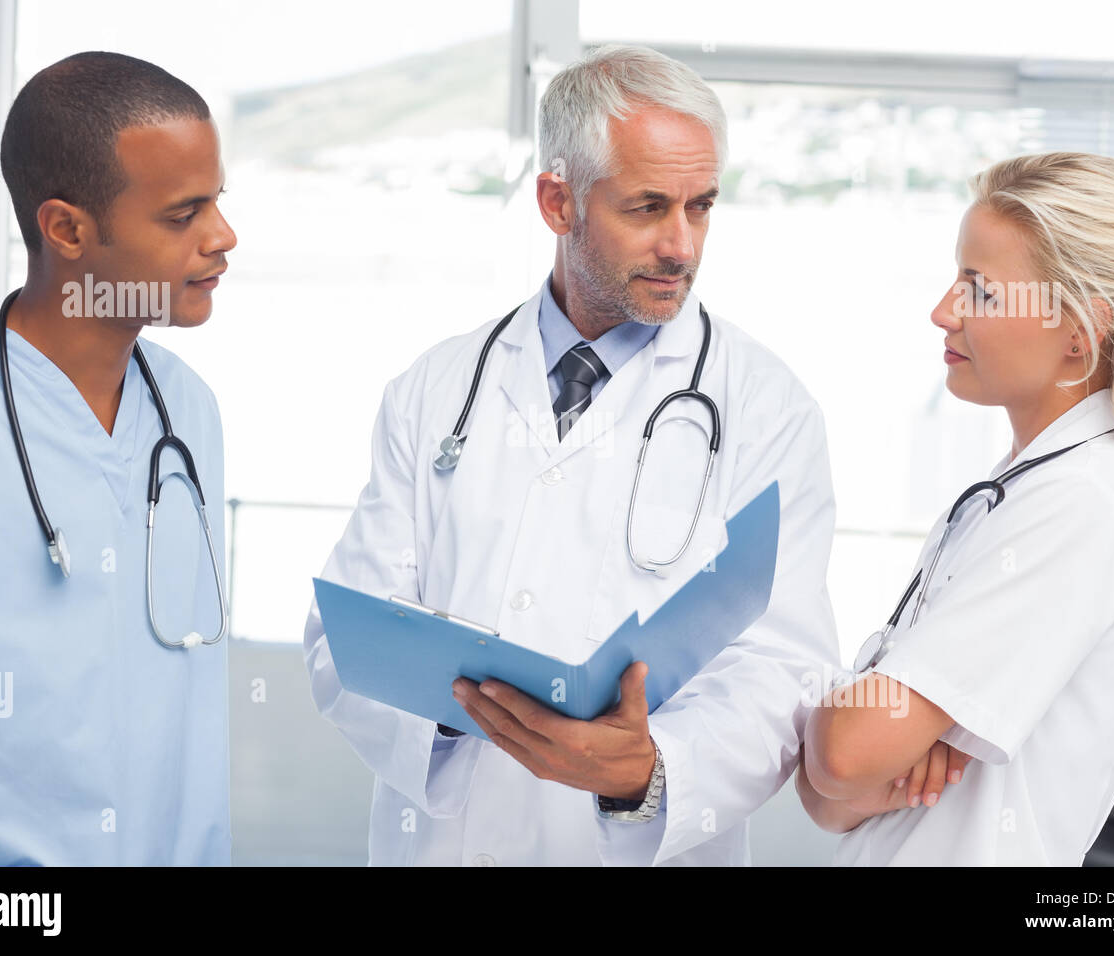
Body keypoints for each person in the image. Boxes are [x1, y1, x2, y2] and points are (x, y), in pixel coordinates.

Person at [303, 44, 841, 866]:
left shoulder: (766, 409)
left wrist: (648, 772)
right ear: (558, 201)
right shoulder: (436, 388)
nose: (682, 245)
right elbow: (344, 631)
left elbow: (784, 665)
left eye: (701, 207)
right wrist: (454, 707)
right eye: (649, 207)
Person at [797, 152, 1114, 865]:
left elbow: (843, 752)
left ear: (1079, 333)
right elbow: (827, 800)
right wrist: (850, 758)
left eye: (980, 291)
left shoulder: (1081, 505)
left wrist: (848, 743)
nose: (942, 311)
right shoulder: (1016, 491)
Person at [0, 52, 237, 864]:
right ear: (66, 229)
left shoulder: (186, 411)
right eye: (181, 214)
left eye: (218, 203)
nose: (223, 238)